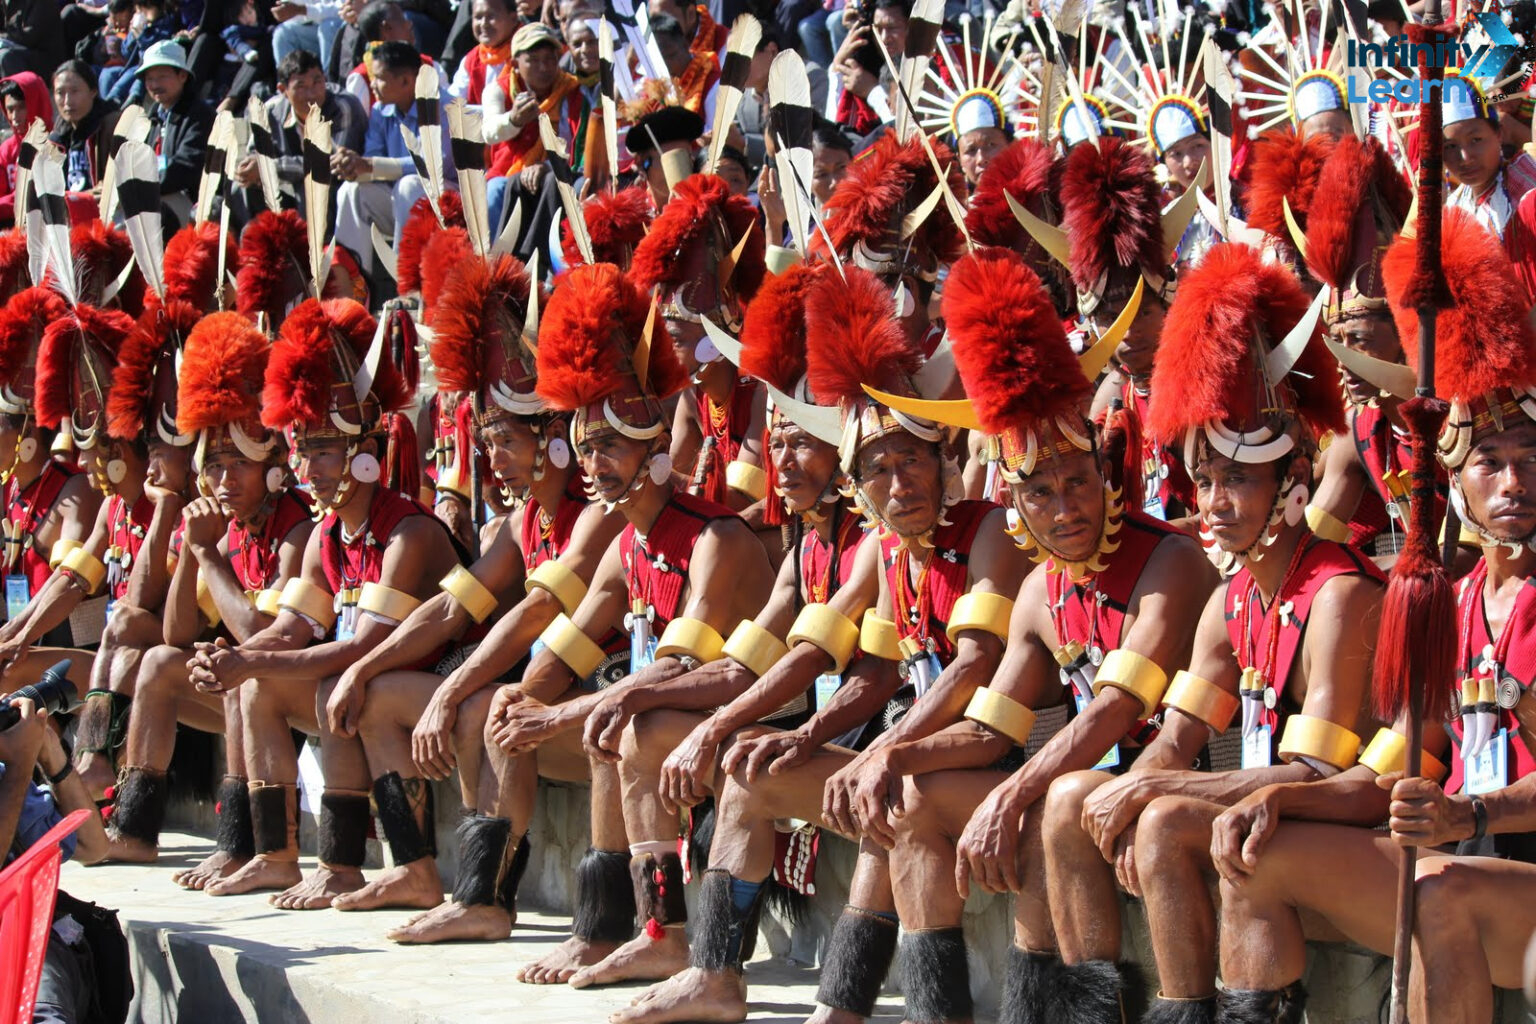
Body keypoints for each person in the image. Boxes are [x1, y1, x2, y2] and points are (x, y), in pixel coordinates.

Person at [861, 247, 1217, 1024]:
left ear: (1105, 474)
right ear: (1012, 507)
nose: (1066, 507)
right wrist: (890, 754)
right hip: (1094, 790)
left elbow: (1114, 711)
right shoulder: (1038, 591)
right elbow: (994, 729)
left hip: (1187, 784)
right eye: (1043, 492)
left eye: (1078, 481)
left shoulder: (1172, 561)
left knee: (1057, 801)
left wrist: (1015, 792)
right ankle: (938, 1013)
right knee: (920, 791)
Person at [1038, 241, 1382, 1021]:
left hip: (1340, 825)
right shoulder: (1233, 601)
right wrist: (1137, 780)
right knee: (1068, 801)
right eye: (1207, 480)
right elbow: (1180, 734)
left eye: (1238, 479)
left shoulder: (1338, 592)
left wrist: (1160, 787)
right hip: (1253, 813)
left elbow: (1313, 778)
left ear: (1292, 483)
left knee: (1161, 817)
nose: (1215, 501)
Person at [1210, 208, 1536, 1024]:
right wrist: (1284, 798)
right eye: (1490, 463)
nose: (1511, 485)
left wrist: (1472, 813)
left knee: (1439, 891)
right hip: (1475, 862)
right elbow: (1397, 765)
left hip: (1491, 868)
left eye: (1531, 463)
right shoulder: (1447, 602)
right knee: (1258, 852)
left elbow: (1460, 810)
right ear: (1454, 480)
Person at [481, 260, 774, 984]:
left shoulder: (716, 539)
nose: (594, 464)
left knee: (624, 723)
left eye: (609, 446)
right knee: (553, 707)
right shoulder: (624, 544)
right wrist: (524, 697)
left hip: (752, 713)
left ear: (654, 454)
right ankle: (602, 927)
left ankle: (660, 934)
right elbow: (566, 646)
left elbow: (674, 673)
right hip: (681, 710)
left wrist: (557, 717)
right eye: (586, 448)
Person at [334, 248, 625, 935]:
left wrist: (451, 686)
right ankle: (416, 869)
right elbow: (450, 606)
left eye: (502, 440)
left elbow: (540, 606)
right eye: (485, 438)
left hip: (602, 689)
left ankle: (486, 899)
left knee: (485, 710)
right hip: (545, 686)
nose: (490, 457)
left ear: (554, 438)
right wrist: (364, 664)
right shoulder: (521, 518)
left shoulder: (600, 511)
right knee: (372, 698)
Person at [190, 298, 463, 910]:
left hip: (434, 679)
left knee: (336, 681)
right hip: (368, 679)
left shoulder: (408, 532)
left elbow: (367, 646)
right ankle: (275, 855)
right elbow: (291, 628)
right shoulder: (326, 532)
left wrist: (249, 659)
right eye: (301, 450)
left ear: (364, 451)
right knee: (257, 686)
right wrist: (234, 659)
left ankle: (355, 865)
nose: (304, 467)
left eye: (320, 451)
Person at [97, 309, 312, 888]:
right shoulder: (221, 524)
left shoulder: (295, 524)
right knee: (160, 664)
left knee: (244, 679)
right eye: (213, 466)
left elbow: (256, 638)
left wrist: (210, 557)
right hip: (242, 682)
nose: (223, 481)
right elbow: (173, 635)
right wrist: (193, 548)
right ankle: (134, 827)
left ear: (271, 466)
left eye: (238, 463)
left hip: (294, 688)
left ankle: (241, 845)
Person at [628, 173, 767, 514]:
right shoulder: (693, 397)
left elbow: (738, 500)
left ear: (715, 336)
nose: (662, 350)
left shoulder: (762, 391)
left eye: (673, 338)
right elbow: (670, 478)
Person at [0, 691, 111, 1024]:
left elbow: (93, 846)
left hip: (14, 937)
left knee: (41, 1005)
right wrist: (21, 765)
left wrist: (51, 755)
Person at [332, 39, 457, 296]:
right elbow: (373, 159)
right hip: (401, 203)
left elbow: (433, 166)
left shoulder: (444, 107)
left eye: (379, 78)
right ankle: (352, 289)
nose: (373, 85)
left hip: (449, 205)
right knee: (351, 191)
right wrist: (354, 165)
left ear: (406, 81)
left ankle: (407, 288)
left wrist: (371, 165)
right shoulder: (381, 110)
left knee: (410, 185)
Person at [483, 23, 596, 259]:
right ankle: (489, 266)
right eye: (533, 60)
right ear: (515, 64)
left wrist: (547, 166)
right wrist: (514, 120)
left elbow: (574, 141)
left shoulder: (569, 88)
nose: (543, 67)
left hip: (554, 169)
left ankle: (549, 265)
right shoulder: (499, 90)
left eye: (550, 59)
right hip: (507, 173)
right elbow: (490, 132)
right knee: (495, 191)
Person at [234, 49, 367, 219]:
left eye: (317, 82)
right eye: (301, 86)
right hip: (288, 185)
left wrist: (269, 167)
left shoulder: (343, 107)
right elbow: (256, 154)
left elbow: (329, 165)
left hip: (340, 186)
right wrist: (249, 168)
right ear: (283, 90)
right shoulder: (270, 111)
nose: (312, 93)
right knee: (240, 186)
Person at [136, 40, 214, 232]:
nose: (154, 85)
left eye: (162, 77)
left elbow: (186, 168)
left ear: (182, 76)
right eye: (149, 78)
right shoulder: (152, 118)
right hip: (155, 192)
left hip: (191, 201)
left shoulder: (200, 115)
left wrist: (139, 185)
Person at [48, 61, 122, 225]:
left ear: (93, 92)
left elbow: (117, 183)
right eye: (60, 92)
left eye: (75, 91)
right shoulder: (57, 137)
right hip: (70, 214)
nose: (67, 101)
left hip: (107, 214)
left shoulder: (114, 126)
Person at [0, 71, 51, 225]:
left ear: (36, 103)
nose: (15, 117)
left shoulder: (54, 145)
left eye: (21, 107)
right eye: (10, 109)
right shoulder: (7, 149)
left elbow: (32, 197)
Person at [447, 0, 515, 103]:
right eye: (478, 17)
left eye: (491, 16)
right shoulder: (471, 60)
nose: (484, 24)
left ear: (513, 19)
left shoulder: (529, 55)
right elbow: (452, 102)